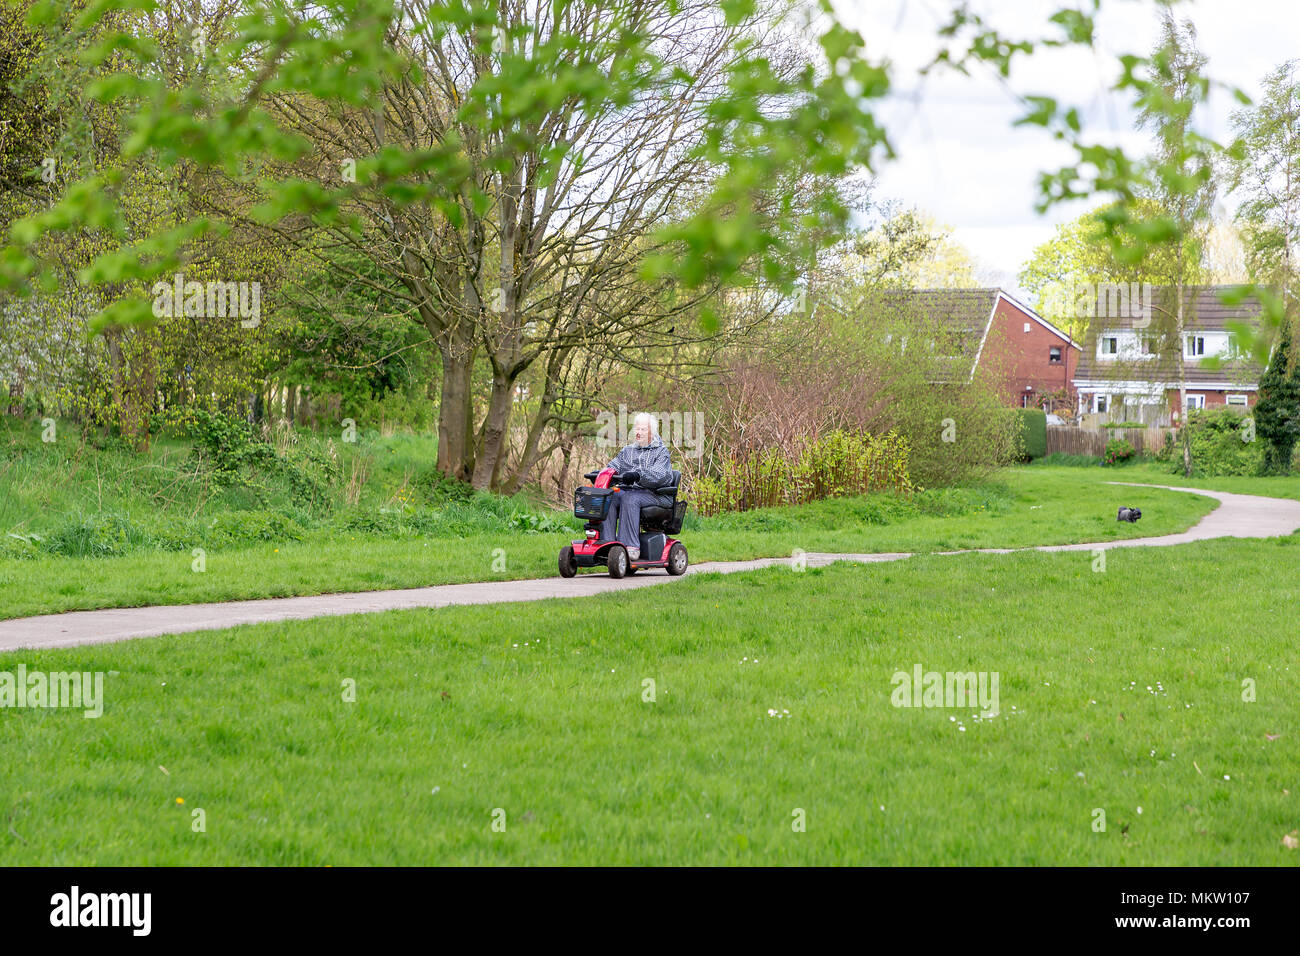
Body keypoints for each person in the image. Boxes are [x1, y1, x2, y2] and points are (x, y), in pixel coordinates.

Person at [600, 412, 674, 560]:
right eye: (637, 429)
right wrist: (602, 473)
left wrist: (638, 475)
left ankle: (630, 547)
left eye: (642, 429)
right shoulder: (627, 451)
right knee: (609, 497)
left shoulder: (661, 452)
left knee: (630, 498)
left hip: (656, 494)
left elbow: (660, 475)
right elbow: (613, 466)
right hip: (631, 492)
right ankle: (607, 545)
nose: (638, 433)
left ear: (651, 432)